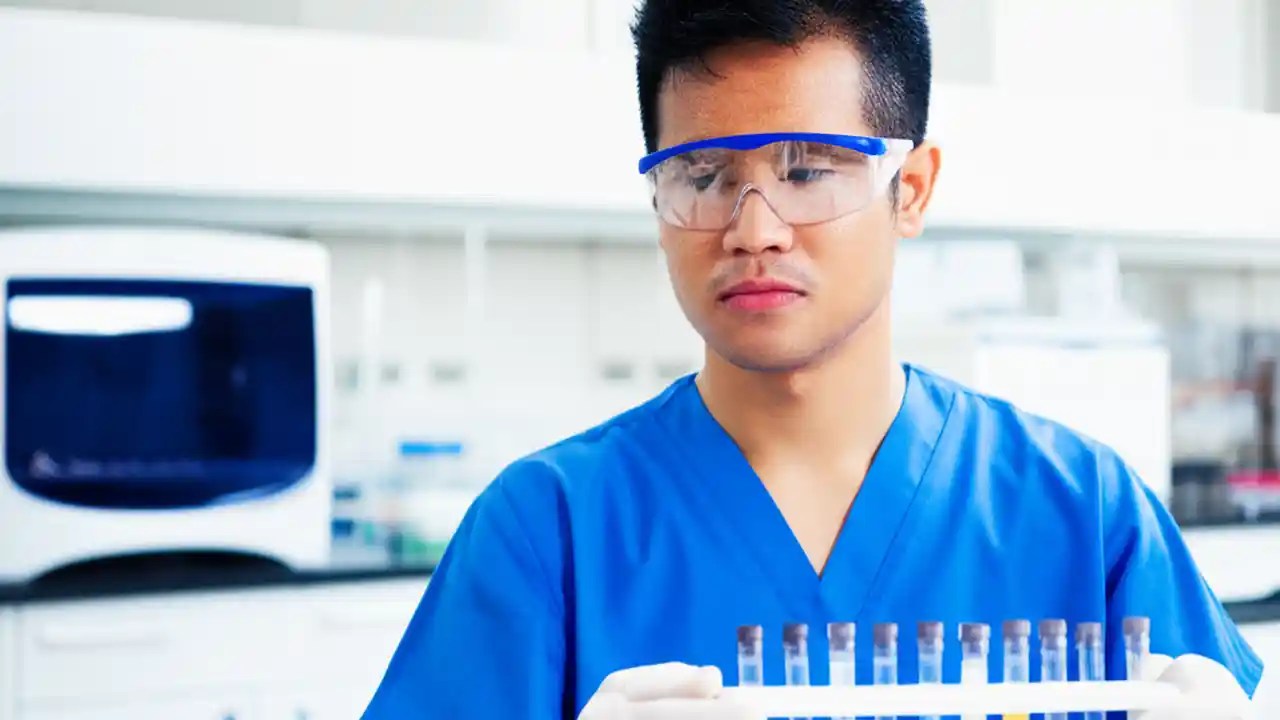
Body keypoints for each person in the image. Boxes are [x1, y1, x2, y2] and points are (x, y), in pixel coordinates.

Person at [361, 2, 1268, 718]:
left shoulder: (1085, 515)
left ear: (908, 190)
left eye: (808, 171)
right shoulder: (547, 532)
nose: (753, 230)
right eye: (703, 176)